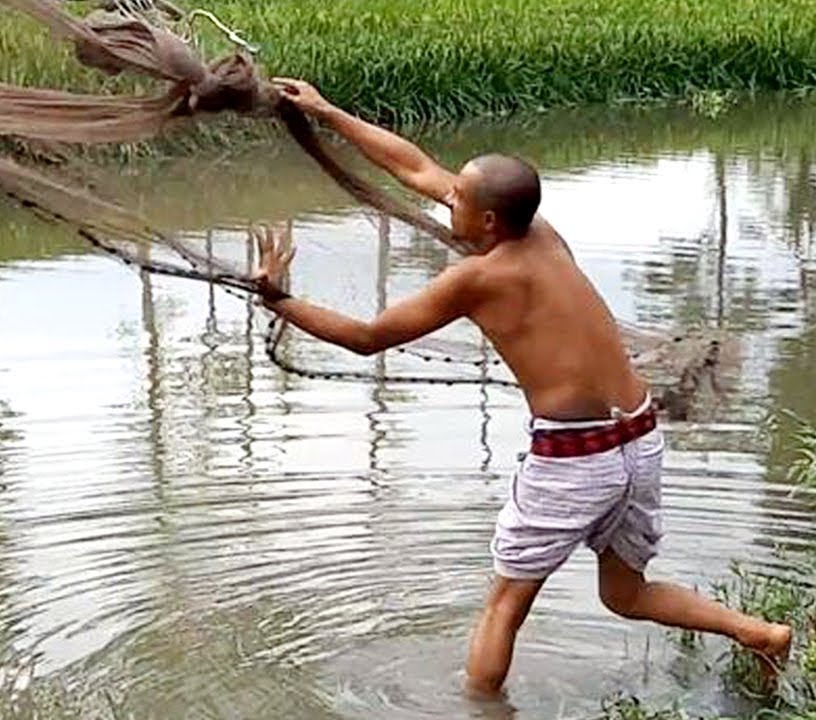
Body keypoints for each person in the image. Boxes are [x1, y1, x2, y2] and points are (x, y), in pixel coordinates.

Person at [255, 77, 793, 697]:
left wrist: (278, 299)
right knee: (625, 594)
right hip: (639, 438)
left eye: (457, 198)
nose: (446, 199)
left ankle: (481, 711)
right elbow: (415, 167)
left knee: (503, 606)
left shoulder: (479, 278)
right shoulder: (542, 234)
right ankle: (761, 634)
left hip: (577, 457)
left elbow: (368, 337)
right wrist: (327, 112)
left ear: (486, 219)